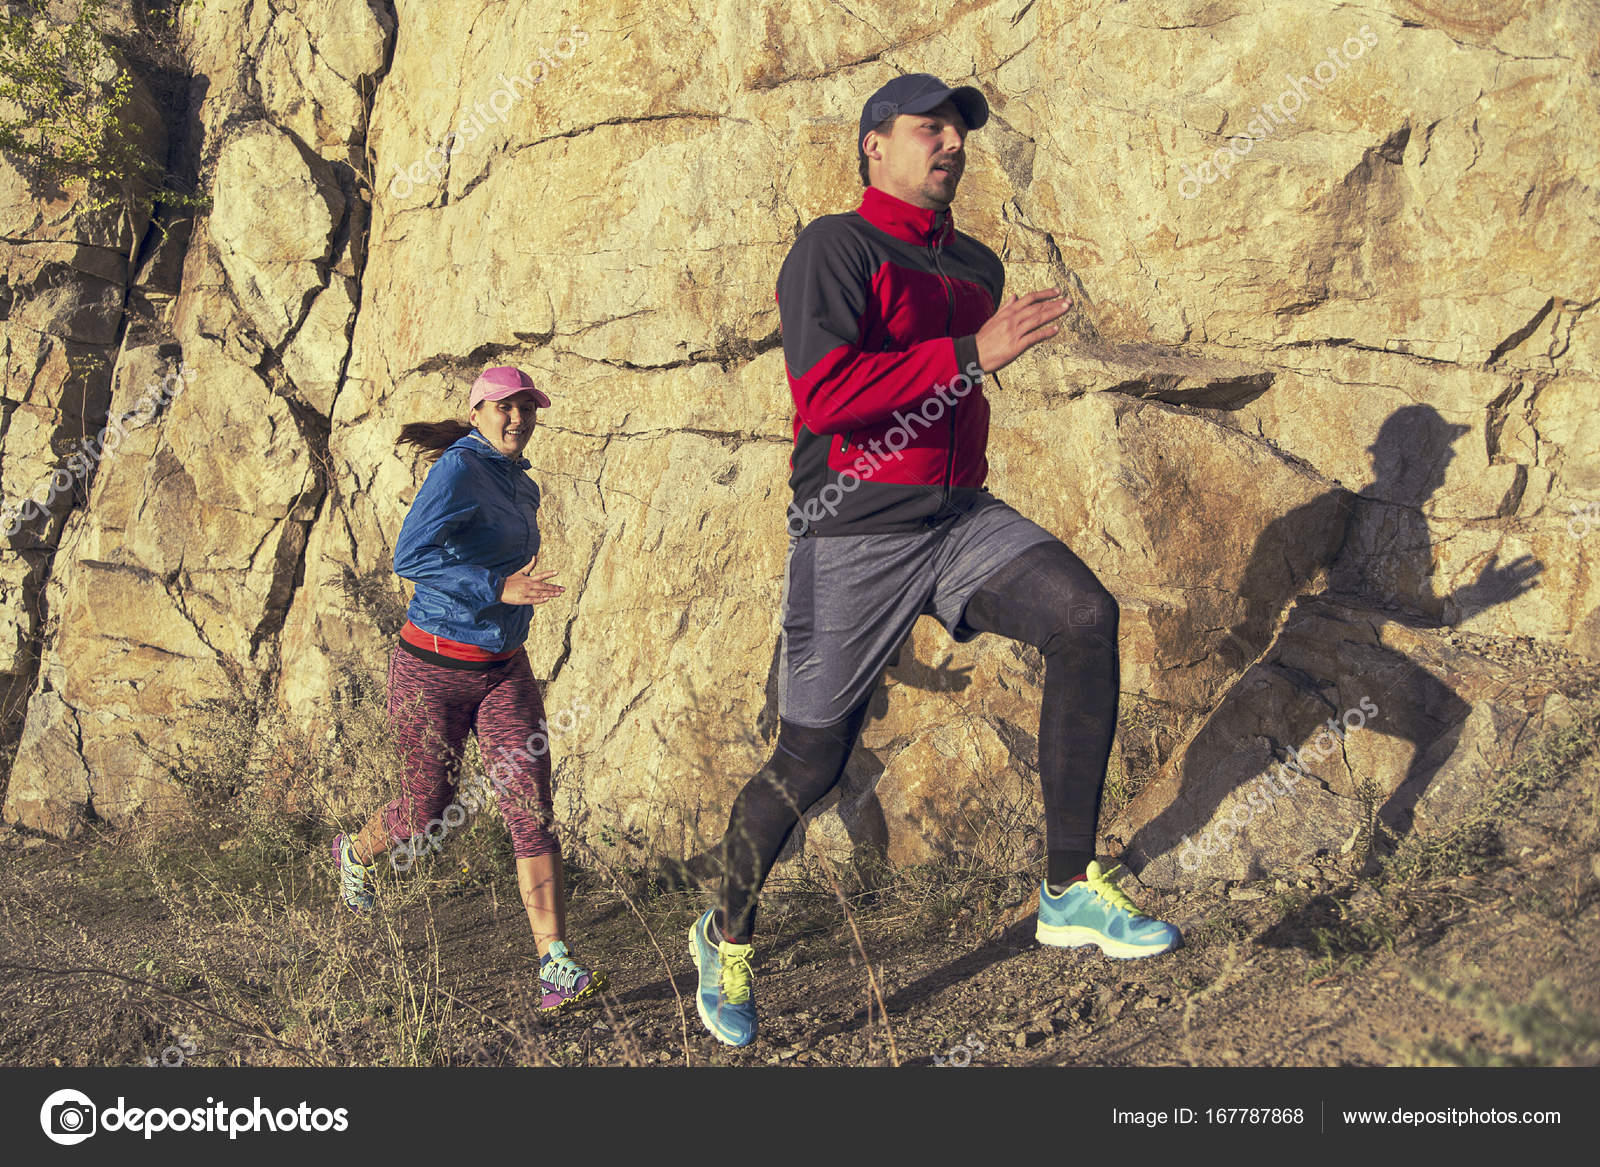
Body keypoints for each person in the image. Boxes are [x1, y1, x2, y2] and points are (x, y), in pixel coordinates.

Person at [690, 74, 1180, 1047]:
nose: (949, 144)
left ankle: (1066, 889)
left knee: (1084, 618)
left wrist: (973, 350)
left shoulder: (975, 264)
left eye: (957, 132)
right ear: (874, 146)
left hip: (957, 520)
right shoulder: (834, 248)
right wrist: (970, 353)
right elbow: (826, 395)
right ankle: (726, 931)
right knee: (810, 759)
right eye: (928, 130)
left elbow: (963, 369)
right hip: (854, 530)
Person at [331, 365, 605, 1013]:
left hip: (503, 668)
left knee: (530, 809)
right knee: (426, 811)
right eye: (505, 407)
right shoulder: (458, 469)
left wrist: (511, 596)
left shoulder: (521, 484)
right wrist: (497, 587)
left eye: (527, 408)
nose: (517, 418)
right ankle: (356, 852)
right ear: (479, 412)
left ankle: (555, 964)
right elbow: (411, 555)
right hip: (431, 670)